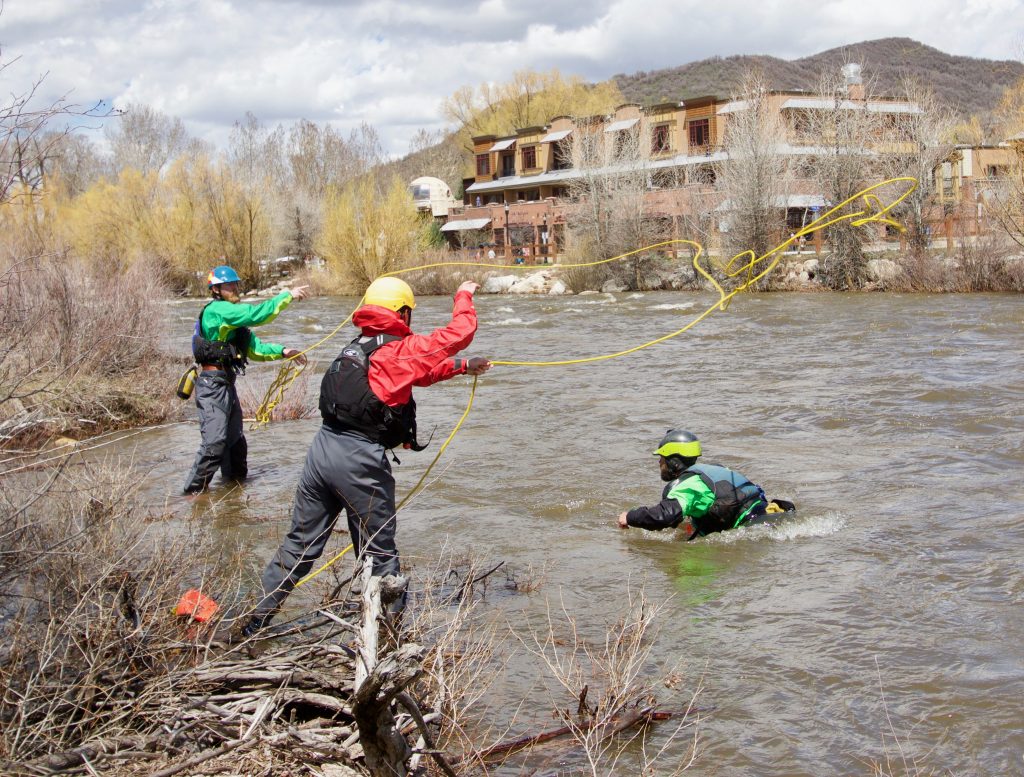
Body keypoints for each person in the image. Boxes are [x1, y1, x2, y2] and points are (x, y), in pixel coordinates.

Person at [243, 277, 491, 635]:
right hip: (358, 461)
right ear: (401, 312)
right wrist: (465, 294)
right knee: (379, 554)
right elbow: (460, 332)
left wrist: (463, 367)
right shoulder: (398, 350)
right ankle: (386, 639)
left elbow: (412, 373)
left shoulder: (358, 346)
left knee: (299, 545)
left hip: (321, 453)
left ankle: (252, 623)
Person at [183, 265, 308, 495]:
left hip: (226, 385)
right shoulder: (218, 310)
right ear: (216, 290)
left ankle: (232, 496)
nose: (234, 287)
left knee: (235, 445)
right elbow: (255, 315)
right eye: (229, 285)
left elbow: (255, 349)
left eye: (235, 283)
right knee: (214, 443)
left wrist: (283, 351)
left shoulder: (232, 319)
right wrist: (287, 295)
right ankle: (192, 494)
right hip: (211, 386)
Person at [617, 429, 791, 540]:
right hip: (771, 516)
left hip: (755, 532)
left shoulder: (688, 485)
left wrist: (630, 517)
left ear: (673, 462)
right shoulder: (714, 469)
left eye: (662, 458)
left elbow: (665, 515)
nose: (659, 463)